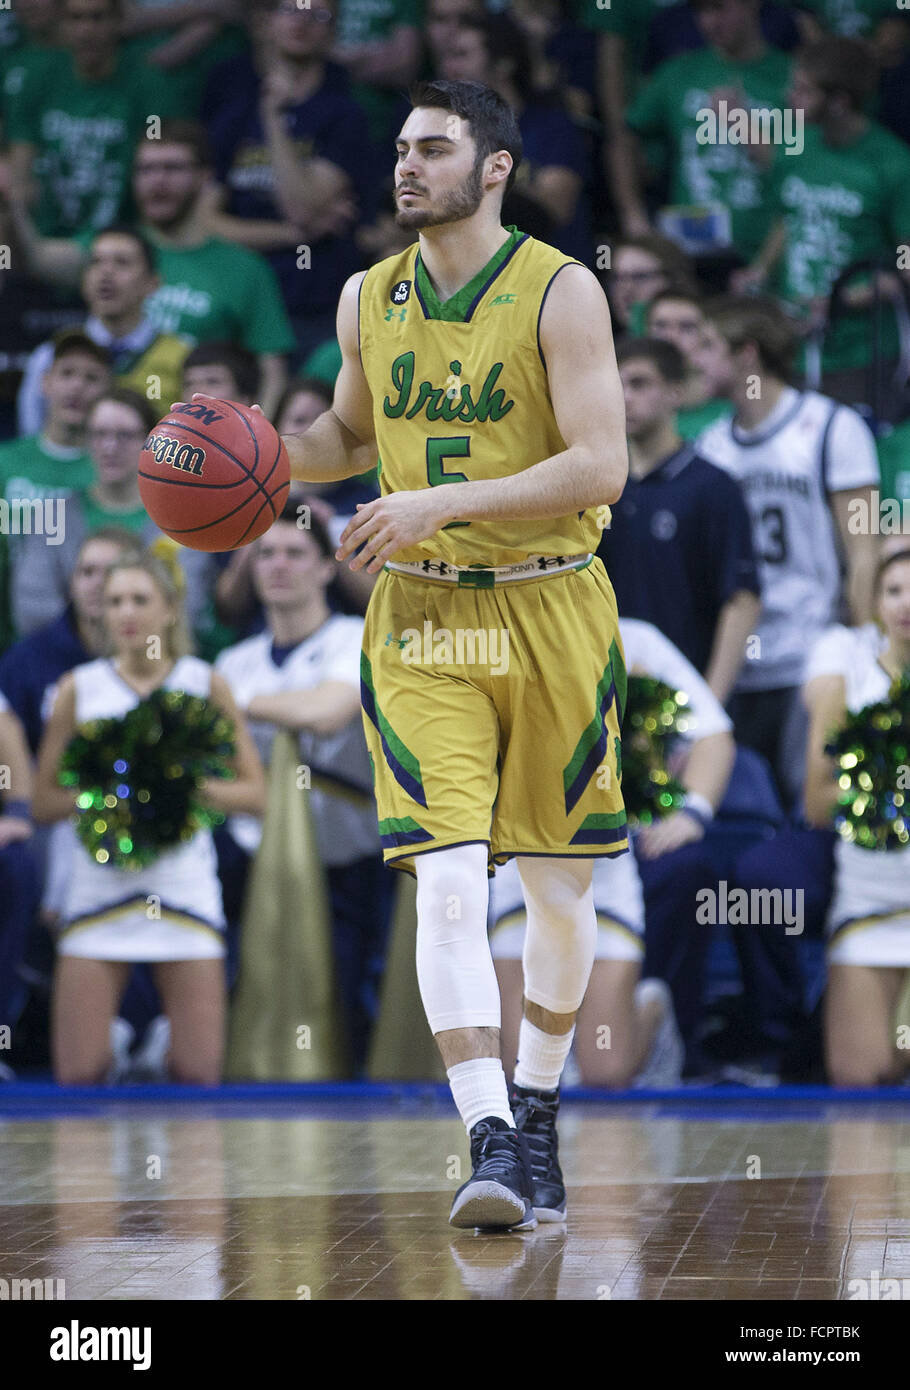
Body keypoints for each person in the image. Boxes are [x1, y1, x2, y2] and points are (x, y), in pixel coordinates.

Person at [217, 77, 630, 1229]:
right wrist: (246, 452)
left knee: (557, 884)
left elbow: (600, 465)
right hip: (423, 620)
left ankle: (540, 1108)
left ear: (493, 167)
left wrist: (439, 499)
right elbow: (348, 437)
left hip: (553, 604)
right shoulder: (362, 295)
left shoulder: (562, 290)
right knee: (447, 879)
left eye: (433, 150)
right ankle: (490, 1134)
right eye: (400, 148)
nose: (406, 166)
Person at [33, 550, 265, 1085]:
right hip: (97, 895)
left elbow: (256, 794)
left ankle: (159, 1047)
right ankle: (117, 1048)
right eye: (114, 602)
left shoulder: (203, 683)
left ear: (170, 610)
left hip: (183, 894)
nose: (126, 613)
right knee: (80, 1076)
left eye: (140, 599)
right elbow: (44, 802)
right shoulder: (79, 687)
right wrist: (113, 787)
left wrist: (175, 781)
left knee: (196, 1073)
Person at [490, 615, 735, 1086]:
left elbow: (714, 733)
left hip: (606, 870)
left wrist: (693, 814)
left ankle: (652, 1007)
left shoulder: (637, 638)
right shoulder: (493, 629)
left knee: (607, 1069)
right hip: (520, 868)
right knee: (521, 1067)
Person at [215, 503, 392, 1072]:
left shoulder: (354, 637)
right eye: (265, 554)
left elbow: (326, 712)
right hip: (251, 852)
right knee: (251, 978)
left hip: (348, 855)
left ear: (325, 569)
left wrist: (233, 707)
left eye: (295, 553)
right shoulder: (234, 660)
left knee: (341, 992)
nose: (278, 565)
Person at [696, 295, 881, 807]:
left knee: (813, 808)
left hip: (811, 653)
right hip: (741, 662)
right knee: (749, 814)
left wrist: (863, 650)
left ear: (747, 354)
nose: (695, 358)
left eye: (709, 345)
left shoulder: (830, 428)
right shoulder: (711, 445)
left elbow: (864, 550)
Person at [6, 121, 296, 418]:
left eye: (172, 168)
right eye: (146, 169)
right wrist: (10, 204)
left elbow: (272, 372)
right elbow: (33, 258)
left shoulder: (245, 268)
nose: (158, 181)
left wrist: (258, 440)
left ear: (204, 177)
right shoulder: (113, 247)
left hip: (195, 434)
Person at [732, 38, 910, 419]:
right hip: (790, 343)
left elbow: (907, 266)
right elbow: (788, 216)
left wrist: (844, 300)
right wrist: (760, 270)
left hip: (862, 351)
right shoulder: (799, 147)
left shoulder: (892, 163)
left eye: (803, 89)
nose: (789, 95)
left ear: (840, 101)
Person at [202, 0, 379, 362]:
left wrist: (273, 117)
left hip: (313, 300)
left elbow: (301, 205)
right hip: (241, 301)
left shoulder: (345, 116)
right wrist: (293, 234)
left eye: (318, 14)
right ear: (266, 22)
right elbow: (206, 222)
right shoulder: (234, 114)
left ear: (332, 32)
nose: (303, 21)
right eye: (291, 9)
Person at [596, 337, 760, 700]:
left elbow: (742, 599)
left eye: (639, 383)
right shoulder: (596, 489)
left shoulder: (713, 486)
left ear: (675, 392)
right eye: (616, 384)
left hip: (686, 693)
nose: (624, 397)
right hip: (607, 694)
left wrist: (709, 703)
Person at [803, 547, 910, 1085]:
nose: (906, 603)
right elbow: (815, 803)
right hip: (869, 900)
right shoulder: (846, 687)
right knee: (858, 1074)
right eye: (893, 590)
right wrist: (884, 797)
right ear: (874, 603)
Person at [11, 387, 216, 636]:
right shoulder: (51, 516)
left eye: (125, 435)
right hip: (68, 663)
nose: (110, 446)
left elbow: (189, 610)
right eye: (99, 434)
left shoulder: (182, 522)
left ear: (153, 442)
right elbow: (33, 611)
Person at [610, 0, 792, 262]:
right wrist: (633, 216)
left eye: (719, 9)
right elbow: (623, 138)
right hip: (688, 251)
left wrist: (741, 124)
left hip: (763, 256)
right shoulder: (678, 73)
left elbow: (801, 173)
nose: (709, 23)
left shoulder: (791, 79)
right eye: (701, 12)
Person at [16, 225, 189, 437]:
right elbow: (34, 444)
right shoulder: (49, 357)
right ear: (83, 280)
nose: (106, 272)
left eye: (122, 262)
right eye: (96, 262)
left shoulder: (183, 358)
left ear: (152, 283)